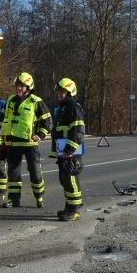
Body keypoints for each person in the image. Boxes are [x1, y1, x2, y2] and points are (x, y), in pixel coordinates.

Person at [0, 72, 52, 208]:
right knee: (13, 172)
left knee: (35, 171)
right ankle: (14, 199)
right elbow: (4, 118)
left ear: (29, 87)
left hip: (30, 143)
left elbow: (48, 121)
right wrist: (3, 136)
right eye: (18, 85)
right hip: (13, 142)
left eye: (22, 86)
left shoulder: (36, 101)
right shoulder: (10, 100)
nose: (19, 88)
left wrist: (40, 135)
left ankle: (39, 196)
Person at [50, 77, 85, 221]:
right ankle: (69, 207)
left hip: (71, 152)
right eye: (58, 91)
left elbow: (78, 131)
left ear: (70, 93)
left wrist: (69, 151)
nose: (59, 94)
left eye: (63, 92)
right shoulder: (63, 108)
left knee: (71, 180)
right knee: (64, 180)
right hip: (64, 152)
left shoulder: (73, 107)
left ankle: (74, 210)